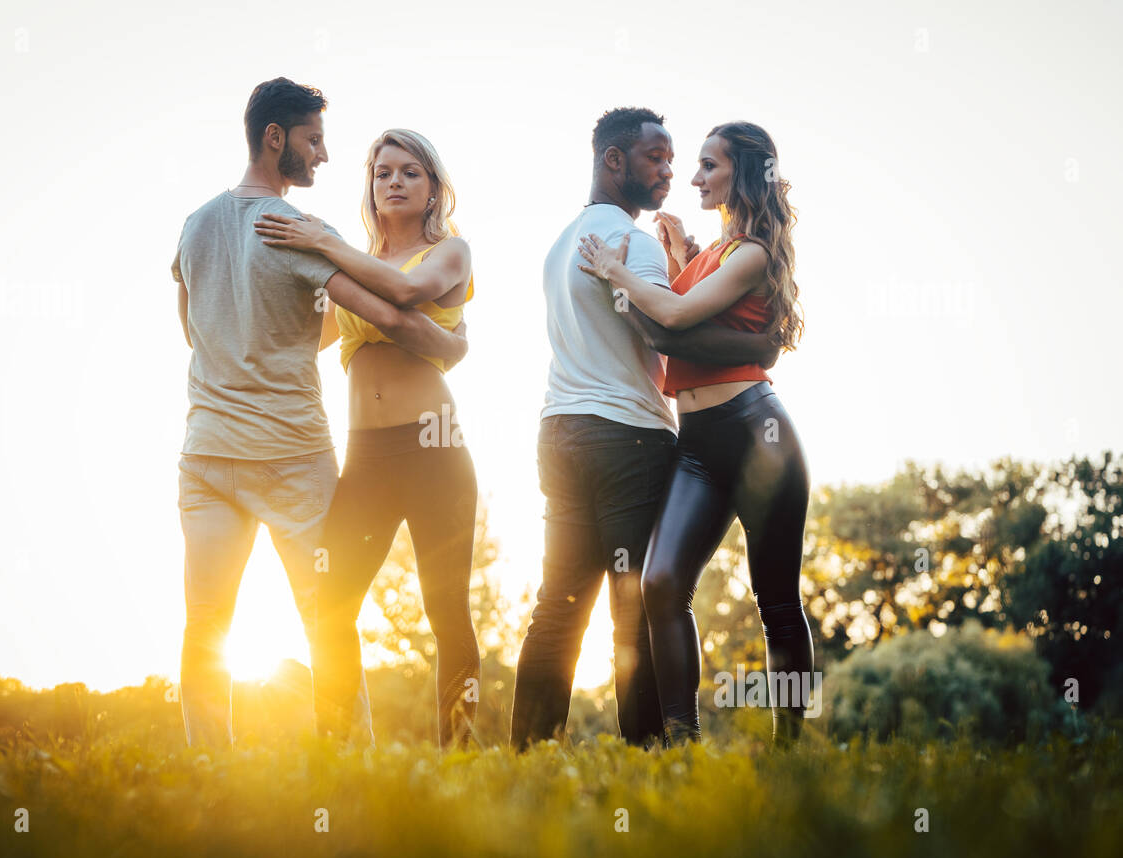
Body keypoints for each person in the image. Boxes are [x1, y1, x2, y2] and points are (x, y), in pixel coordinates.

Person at [170, 79, 467, 749]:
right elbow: (386, 314)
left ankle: (208, 774)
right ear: (276, 138)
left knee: (206, 622)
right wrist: (455, 343)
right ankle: (347, 765)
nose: (324, 155)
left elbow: (193, 328)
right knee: (326, 616)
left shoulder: (193, 226)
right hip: (291, 458)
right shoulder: (301, 233)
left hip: (208, 454)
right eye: (312, 139)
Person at [509, 108, 781, 751]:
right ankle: (649, 756)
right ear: (614, 161)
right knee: (635, 606)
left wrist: (681, 253)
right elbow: (669, 327)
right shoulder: (631, 245)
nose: (669, 173)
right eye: (656, 159)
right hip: (627, 434)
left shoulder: (562, 242)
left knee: (559, 605)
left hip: (559, 430)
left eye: (673, 160)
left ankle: (529, 754)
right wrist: (763, 347)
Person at [577, 121, 812, 748]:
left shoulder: (753, 253)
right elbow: (682, 321)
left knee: (776, 599)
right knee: (660, 583)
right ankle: (681, 747)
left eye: (708, 165)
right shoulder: (715, 252)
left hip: (757, 434)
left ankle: (791, 754)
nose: (693, 176)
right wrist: (681, 255)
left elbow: (675, 315)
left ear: (742, 174)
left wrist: (611, 270)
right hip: (699, 442)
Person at [255, 129, 479, 748]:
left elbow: (405, 293)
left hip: (435, 449)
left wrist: (326, 246)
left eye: (410, 172)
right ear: (371, 185)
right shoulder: (349, 262)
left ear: (433, 187)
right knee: (331, 604)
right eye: (383, 173)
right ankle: (339, 751)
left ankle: (459, 757)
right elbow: (307, 338)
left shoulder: (449, 251)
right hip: (367, 457)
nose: (395, 182)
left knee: (446, 611)